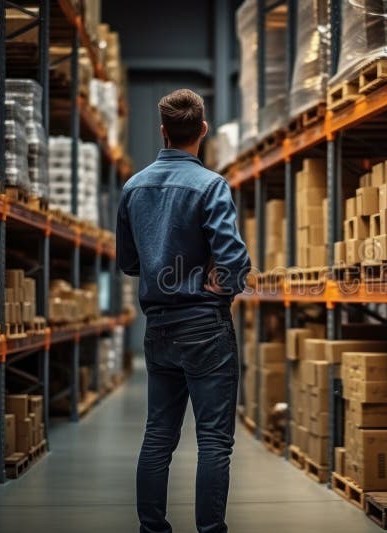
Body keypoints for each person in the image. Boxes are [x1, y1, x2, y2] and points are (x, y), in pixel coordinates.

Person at [116, 88, 251, 533]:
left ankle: (152, 528)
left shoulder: (133, 187)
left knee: (158, 436)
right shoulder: (211, 186)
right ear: (203, 131)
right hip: (205, 327)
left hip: (159, 329)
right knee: (214, 441)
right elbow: (232, 258)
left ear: (163, 131)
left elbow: (129, 262)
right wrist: (222, 286)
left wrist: (162, 270)